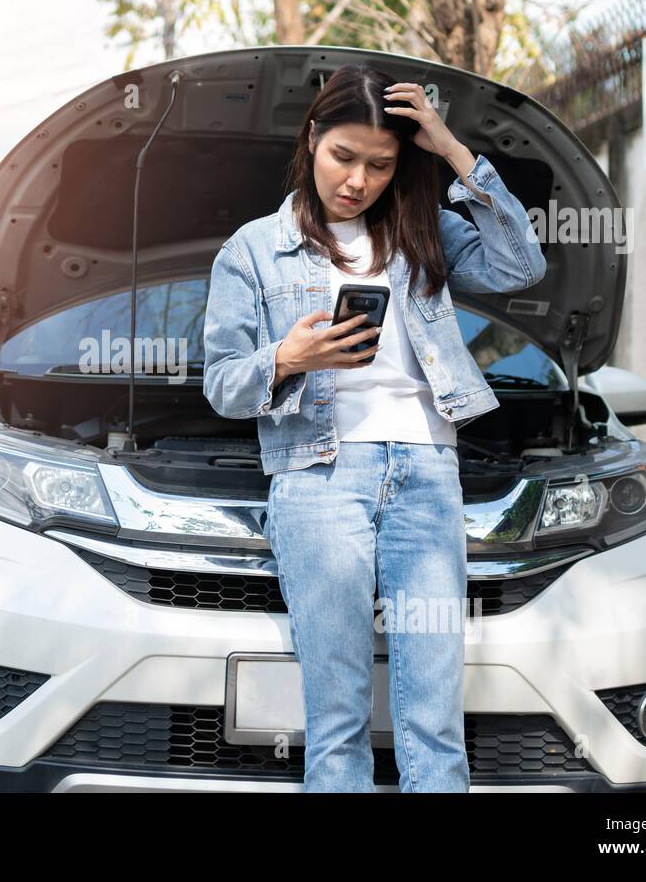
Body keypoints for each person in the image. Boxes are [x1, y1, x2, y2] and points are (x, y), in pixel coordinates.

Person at [201, 62, 545, 791]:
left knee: (433, 717)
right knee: (338, 719)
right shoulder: (254, 249)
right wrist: (286, 358)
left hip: (425, 472)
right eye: (343, 157)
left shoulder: (426, 231)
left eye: (380, 165)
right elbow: (225, 384)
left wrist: (452, 149)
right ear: (312, 139)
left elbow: (521, 265)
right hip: (321, 478)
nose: (357, 180)